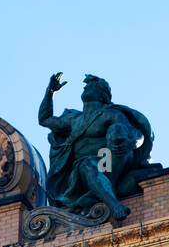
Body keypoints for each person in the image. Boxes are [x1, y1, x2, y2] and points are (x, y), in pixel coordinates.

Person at [38, 73, 161, 221]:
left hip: (112, 164)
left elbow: (135, 133)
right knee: (86, 164)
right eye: (86, 85)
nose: (86, 87)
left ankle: (115, 204)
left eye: (92, 86)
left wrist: (131, 143)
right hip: (83, 172)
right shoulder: (74, 119)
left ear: (102, 94)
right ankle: (108, 195)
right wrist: (50, 92)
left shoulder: (110, 114)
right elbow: (44, 120)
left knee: (116, 131)